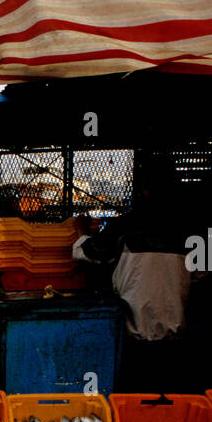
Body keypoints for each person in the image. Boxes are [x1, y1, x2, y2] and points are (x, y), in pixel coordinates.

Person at [75, 160, 191, 390]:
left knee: (134, 396)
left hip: (135, 338)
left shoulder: (124, 226)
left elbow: (88, 254)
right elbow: (201, 273)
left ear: (143, 190)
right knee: (172, 397)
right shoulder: (187, 231)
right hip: (176, 339)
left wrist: (81, 230)